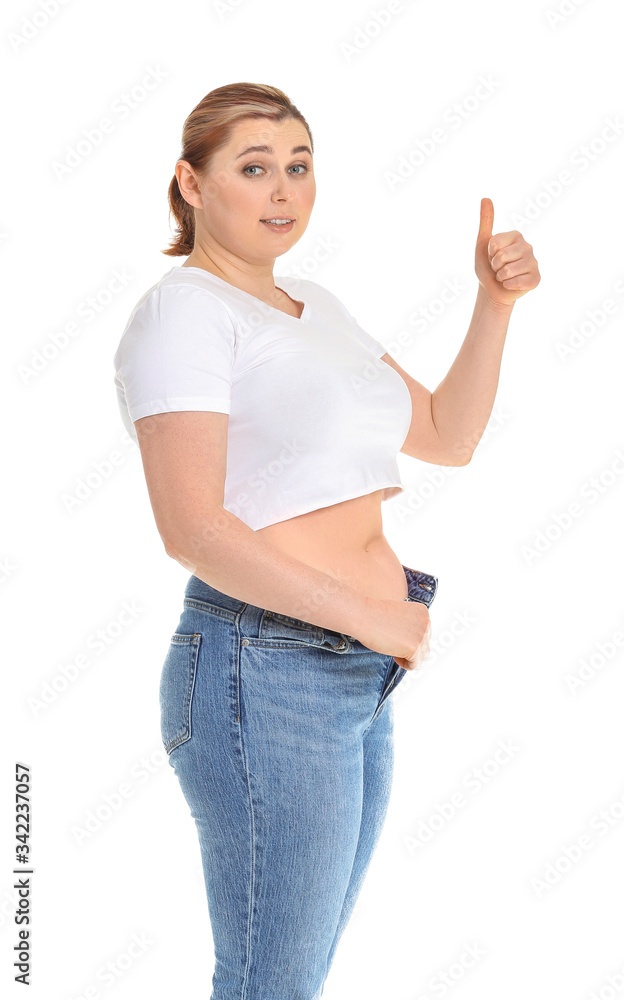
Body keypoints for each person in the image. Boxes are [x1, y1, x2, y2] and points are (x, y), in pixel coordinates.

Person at [112, 81, 540, 1000]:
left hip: (353, 672)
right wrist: (368, 617)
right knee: (271, 986)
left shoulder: (317, 305)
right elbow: (189, 527)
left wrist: (494, 305)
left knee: (288, 983)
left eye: (299, 167)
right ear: (190, 184)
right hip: (262, 670)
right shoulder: (184, 312)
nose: (282, 191)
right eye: (253, 168)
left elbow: (446, 436)